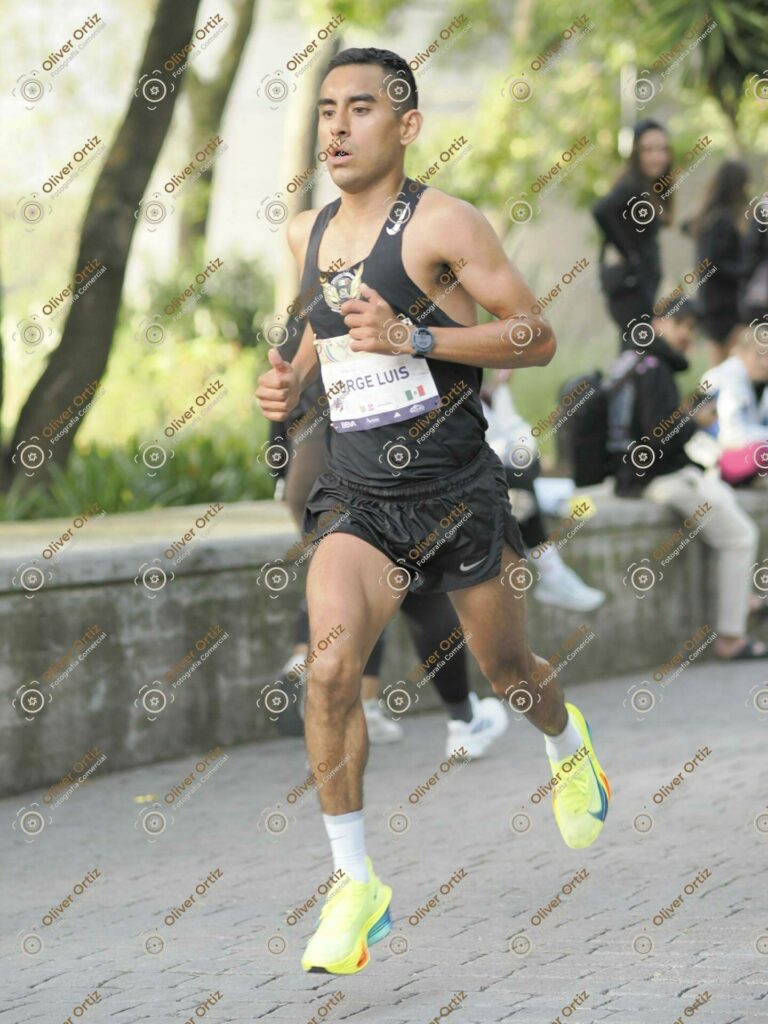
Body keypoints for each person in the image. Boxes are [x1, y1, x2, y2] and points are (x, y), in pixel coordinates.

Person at [256, 47, 611, 976]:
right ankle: (353, 883)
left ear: (407, 125)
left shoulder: (444, 222)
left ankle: (567, 743)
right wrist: (285, 384)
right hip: (357, 497)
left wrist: (416, 334)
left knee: (509, 672)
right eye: (327, 109)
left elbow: (536, 335)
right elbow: (314, 335)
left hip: (456, 492)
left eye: (361, 108)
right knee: (330, 672)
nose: (337, 127)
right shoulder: (304, 233)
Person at [276, 322, 509, 755]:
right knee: (415, 595)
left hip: (309, 471)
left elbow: (281, 392)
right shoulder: (391, 296)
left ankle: (323, 682)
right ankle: (460, 720)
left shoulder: (306, 312)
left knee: (345, 590)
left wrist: (280, 472)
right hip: (372, 467)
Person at [611, 298, 767, 660]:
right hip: (657, 480)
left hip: (639, 476)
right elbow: (659, 437)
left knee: (723, 499)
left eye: (691, 328)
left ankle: (744, 598)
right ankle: (731, 638)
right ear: (659, 323)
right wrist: (693, 421)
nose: (686, 335)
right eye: (681, 325)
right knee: (740, 535)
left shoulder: (632, 361)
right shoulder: (654, 369)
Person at [481, 370, 606, 611]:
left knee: (521, 481)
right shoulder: (442, 391)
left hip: (498, 472)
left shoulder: (479, 392)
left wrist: (499, 391)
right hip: (448, 480)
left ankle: (554, 574)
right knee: (519, 489)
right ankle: (553, 574)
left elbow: (510, 430)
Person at [593, 119, 674, 350]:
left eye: (662, 149)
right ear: (636, 153)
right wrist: (629, 252)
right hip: (629, 285)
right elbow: (601, 210)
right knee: (638, 347)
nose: (656, 156)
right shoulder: (631, 185)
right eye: (648, 149)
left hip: (640, 283)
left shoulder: (649, 186)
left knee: (635, 349)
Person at [684, 160, 751, 365]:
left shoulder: (710, 218)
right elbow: (713, 261)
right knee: (730, 365)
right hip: (723, 306)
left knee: (721, 365)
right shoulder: (721, 221)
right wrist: (744, 271)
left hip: (713, 304)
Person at [703, 327, 768, 484]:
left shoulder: (756, 380)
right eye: (759, 354)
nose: (765, 362)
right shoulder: (725, 378)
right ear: (741, 352)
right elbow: (731, 435)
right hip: (713, 460)